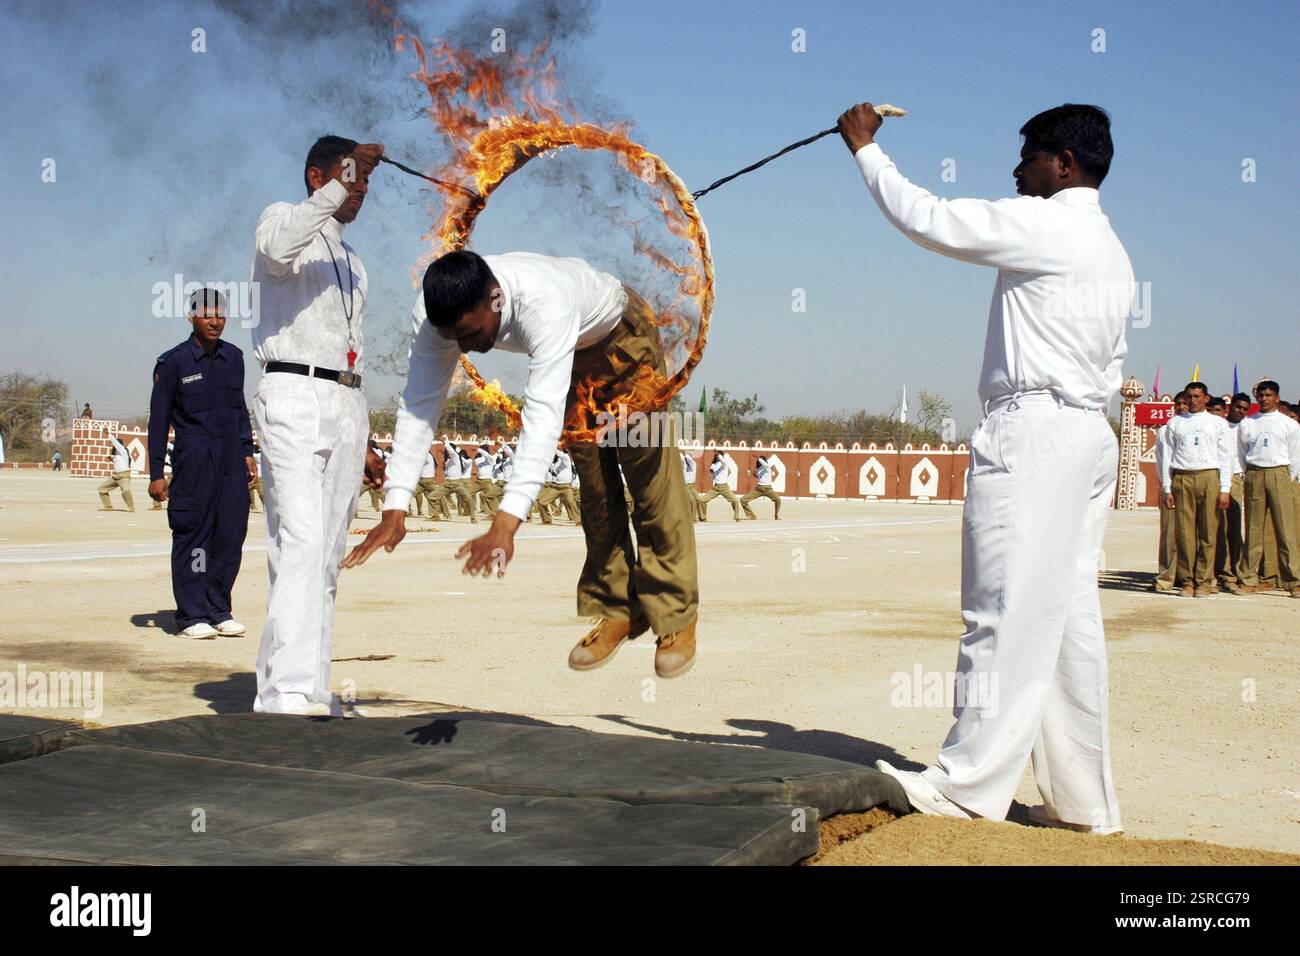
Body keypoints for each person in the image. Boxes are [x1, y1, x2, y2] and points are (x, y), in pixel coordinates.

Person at [841, 101, 1131, 833]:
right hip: (1086, 433)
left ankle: (969, 786)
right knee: (1064, 620)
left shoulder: (1047, 224)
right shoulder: (1112, 250)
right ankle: (1082, 804)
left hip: (1033, 431)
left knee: (1001, 607)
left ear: (1064, 164)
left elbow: (932, 220)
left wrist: (865, 152)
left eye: (1030, 154)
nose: (1018, 167)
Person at [344, 250, 700, 678]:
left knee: (649, 480)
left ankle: (674, 615)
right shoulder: (436, 313)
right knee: (595, 487)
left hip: (622, 340)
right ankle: (619, 609)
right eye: (455, 338)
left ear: (495, 298)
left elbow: (541, 418)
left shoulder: (543, 300)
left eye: (472, 334)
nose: (466, 348)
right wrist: (396, 503)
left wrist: (505, 523)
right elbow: (420, 404)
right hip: (574, 358)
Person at [249, 134, 386, 716]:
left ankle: (313, 686)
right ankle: (283, 690)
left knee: (327, 553)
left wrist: (366, 434)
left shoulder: (354, 261)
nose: (358, 190)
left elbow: (349, 346)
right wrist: (340, 181)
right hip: (291, 391)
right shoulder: (281, 222)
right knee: (299, 541)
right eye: (348, 176)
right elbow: (280, 248)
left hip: (344, 401)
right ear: (317, 177)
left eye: (363, 182)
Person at [148, 288, 256, 639]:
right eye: (206, 314)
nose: (214, 321)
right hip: (194, 459)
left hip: (231, 462)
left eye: (220, 315)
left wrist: (247, 453)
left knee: (229, 535)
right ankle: (191, 614)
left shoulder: (234, 358)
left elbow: (241, 411)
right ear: (190, 317)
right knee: (195, 535)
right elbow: (158, 421)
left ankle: (218, 608)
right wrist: (156, 473)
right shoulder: (174, 363)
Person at [1161, 382, 1233, 597]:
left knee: (1209, 533)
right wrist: (1167, 487)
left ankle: (1203, 580)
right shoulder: (1175, 423)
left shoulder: (1218, 424)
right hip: (1183, 478)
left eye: (1197, 396)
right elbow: (1167, 458)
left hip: (1209, 476)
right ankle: (1187, 581)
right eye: (1189, 396)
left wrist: (1225, 488)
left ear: (1206, 398)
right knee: (1184, 534)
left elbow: (1225, 457)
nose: (1193, 400)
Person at [1237, 380, 1300, 597]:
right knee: (1254, 529)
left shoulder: (1288, 424)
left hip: (1280, 474)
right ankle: (1248, 578)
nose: (1264, 399)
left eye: (1269, 395)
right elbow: (1241, 451)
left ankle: (1293, 580)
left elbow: (1295, 455)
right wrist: (1250, 473)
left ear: (1277, 398)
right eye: (1261, 395)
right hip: (1255, 473)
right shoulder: (1248, 423)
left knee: (1286, 531)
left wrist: (1287, 478)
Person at [1216, 393, 1252, 591]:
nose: (1241, 411)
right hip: (1220, 478)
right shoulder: (1221, 427)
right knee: (1219, 527)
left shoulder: (1247, 427)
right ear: (1231, 407)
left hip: (1239, 478)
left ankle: (1237, 570)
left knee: (1235, 527)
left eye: (1245, 409)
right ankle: (1222, 571)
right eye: (1238, 407)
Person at [1153, 391, 1189, 592]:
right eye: (1179, 404)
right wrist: (1167, 486)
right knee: (1169, 532)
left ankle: (1187, 576)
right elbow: (1162, 460)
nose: (1182, 407)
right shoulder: (1165, 430)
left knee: (1191, 532)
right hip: (1172, 481)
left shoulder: (1199, 427)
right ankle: (1166, 575)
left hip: (1192, 479)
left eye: (1185, 403)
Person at [535, 448, 581, 525]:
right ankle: (547, 520)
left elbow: (559, 453)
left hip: (566, 487)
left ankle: (579, 521)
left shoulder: (565, 458)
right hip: (556, 487)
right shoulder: (556, 462)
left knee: (571, 502)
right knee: (542, 502)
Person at [97, 429, 136, 512]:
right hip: (115, 476)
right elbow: (118, 461)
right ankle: (108, 506)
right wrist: (111, 458)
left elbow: (116, 444)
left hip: (124, 476)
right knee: (101, 489)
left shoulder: (123, 451)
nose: (115, 446)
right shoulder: (116, 455)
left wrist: (109, 434)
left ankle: (131, 507)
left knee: (126, 491)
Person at [697, 450, 742, 521]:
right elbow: (712, 470)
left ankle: (737, 517)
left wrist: (718, 454)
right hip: (715, 488)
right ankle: (703, 517)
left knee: (735, 501)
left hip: (724, 487)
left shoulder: (724, 463)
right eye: (716, 455)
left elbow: (723, 462)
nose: (717, 456)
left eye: (718, 455)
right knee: (702, 500)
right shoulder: (713, 464)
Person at [741, 454, 782, 520]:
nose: (759, 461)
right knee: (743, 500)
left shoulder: (768, 467)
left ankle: (776, 515)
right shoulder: (758, 469)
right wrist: (756, 476)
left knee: (778, 500)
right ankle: (751, 516)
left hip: (768, 489)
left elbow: (765, 465)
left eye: (761, 460)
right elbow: (761, 478)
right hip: (758, 489)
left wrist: (758, 457)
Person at [680, 449, 705, 521]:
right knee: (692, 501)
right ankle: (693, 518)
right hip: (685, 486)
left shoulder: (693, 465)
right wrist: (682, 454)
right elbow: (683, 459)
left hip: (692, 487)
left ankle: (701, 517)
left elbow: (690, 460)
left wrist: (685, 454)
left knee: (699, 500)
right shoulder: (683, 465)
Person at [249, 442, 265, 513]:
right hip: (250, 477)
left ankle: (265, 507)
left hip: (259, 477)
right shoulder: (250, 455)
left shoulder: (259, 454)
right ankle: (253, 506)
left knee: (262, 494)